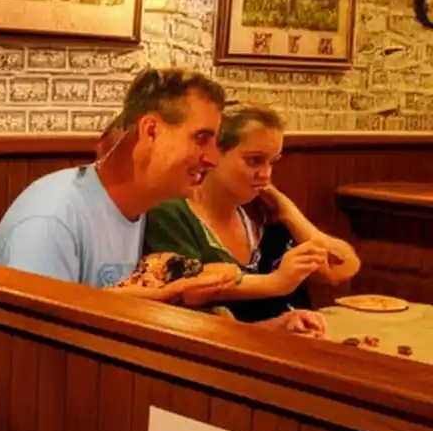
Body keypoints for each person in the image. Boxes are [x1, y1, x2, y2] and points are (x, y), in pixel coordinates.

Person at [0, 68, 240, 304]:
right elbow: (37, 338)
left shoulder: (138, 207)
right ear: (151, 131)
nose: (214, 159)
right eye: (201, 139)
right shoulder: (51, 220)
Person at [144, 104, 361, 334]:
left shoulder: (260, 211)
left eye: (272, 162)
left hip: (295, 347)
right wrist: (277, 295)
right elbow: (188, 300)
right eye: (254, 161)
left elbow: (344, 268)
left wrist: (288, 211)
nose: (266, 174)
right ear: (213, 155)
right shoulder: (170, 212)